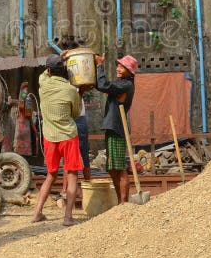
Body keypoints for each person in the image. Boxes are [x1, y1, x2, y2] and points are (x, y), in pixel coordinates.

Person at [32, 54, 83, 226]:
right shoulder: (70, 90)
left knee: (50, 175)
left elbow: (42, 75)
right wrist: (80, 93)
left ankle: (37, 212)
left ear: (49, 70)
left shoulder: (43, 86)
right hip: (68, 136)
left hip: (49, 136)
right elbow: (75, 114)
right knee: (72, 175)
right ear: (63, 71)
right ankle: (68, 217)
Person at [95, 54, 138, 204]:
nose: (118, 69)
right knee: (112, 167)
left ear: (129, 71)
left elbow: (103, 85)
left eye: (122, 67)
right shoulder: (121, 83)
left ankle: (123, 203)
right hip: (112, 127)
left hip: (116, 128)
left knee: (119, 167)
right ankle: (120, 201)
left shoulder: (126, 85)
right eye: (118, 66)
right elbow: (102, 84)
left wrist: (100, 66)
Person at [59, 87, 92, 201]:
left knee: (75, 156)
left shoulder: (69, 85)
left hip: (75, 120)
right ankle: (69, 189)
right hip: (73, 120)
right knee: (74, 156)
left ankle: (68, 189)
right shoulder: (71, 84)